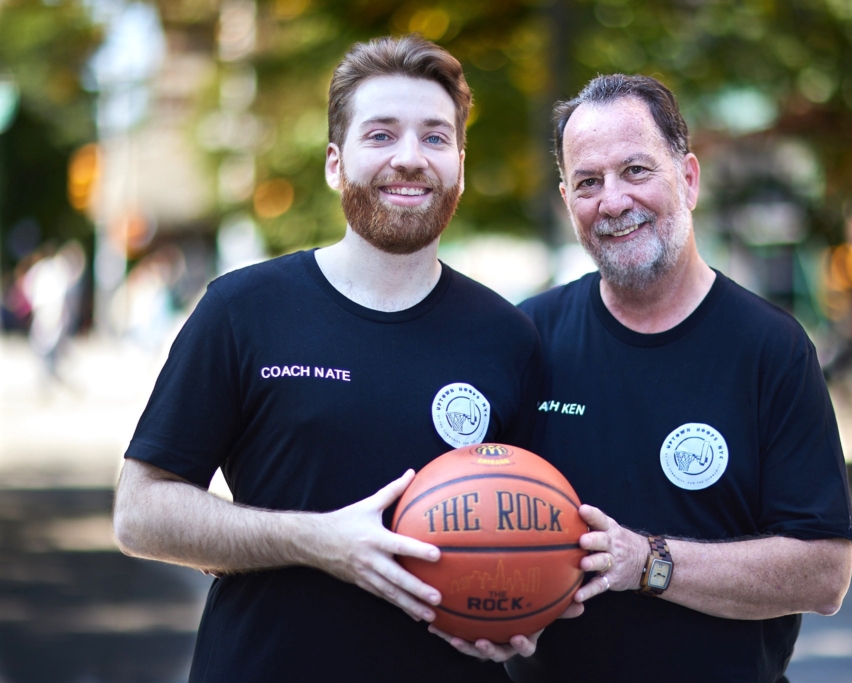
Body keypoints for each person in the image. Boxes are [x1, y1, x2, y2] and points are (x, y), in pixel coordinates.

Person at [113, 35, 544, 682]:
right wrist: (316, 540)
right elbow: (140, 511)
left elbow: (539, 528)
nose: (410, 158)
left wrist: (526, 609)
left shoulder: (509, 335)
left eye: (434, 137)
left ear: (459, 160)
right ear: (335, 164)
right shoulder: (243, 309)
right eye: (381, 135)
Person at [508, 75, 852, 682]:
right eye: (588, 182)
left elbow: (824, 572)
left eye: (636, 170)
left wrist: (647, 562)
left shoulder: (770, 349)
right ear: (567, 201)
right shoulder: (524, 339)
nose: (612, 201)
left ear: (688, 179)